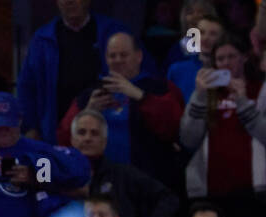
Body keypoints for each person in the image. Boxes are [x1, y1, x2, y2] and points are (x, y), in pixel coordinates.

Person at [177, 35, 266, 217]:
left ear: (245, 58)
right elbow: (188, 139)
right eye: (220, 59)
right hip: (211, 194)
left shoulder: (264, 92)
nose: (226, 63)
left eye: (231, 57)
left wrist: (243, 102)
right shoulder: (205, 95)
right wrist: (198, 95)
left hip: (253, 194)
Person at [57, 31, 183, 189]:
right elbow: (63, 138)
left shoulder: (159, 88)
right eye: (112, 56)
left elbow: (174, 128)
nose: (117, 60)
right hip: (100, 185)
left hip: (149, 182)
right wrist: (88, 112)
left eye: (123, 55)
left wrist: (140, 96)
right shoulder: (91, 93)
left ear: (138, 56)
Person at [68, 110, 180, 217]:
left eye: (94, 133)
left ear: (104, 141)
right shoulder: (58, 178)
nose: (87, 138)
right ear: (72, 140)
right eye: (82, 132)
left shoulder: (124, 175)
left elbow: (169, 199)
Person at [16, 0, 133, 142]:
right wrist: (30, 129)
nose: (69, 1)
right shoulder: (42, 39)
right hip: (55, 135)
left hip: (109, 132)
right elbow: (26, 88)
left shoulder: (114, 32)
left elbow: (141, 76)